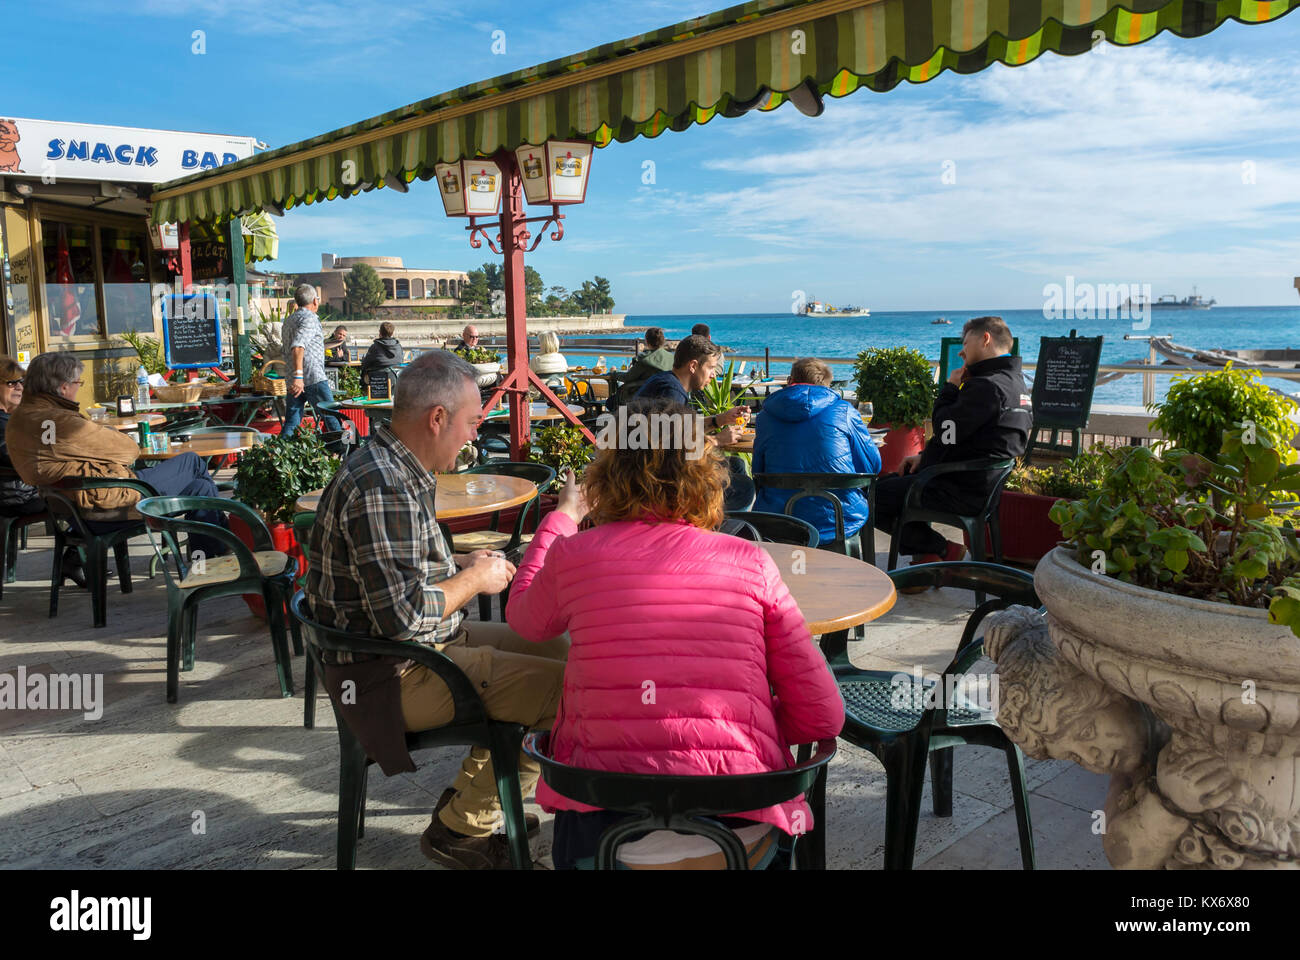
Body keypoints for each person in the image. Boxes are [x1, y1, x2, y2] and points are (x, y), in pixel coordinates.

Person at [506, 396, 845, 869]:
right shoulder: (748, 560)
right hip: (734, 826)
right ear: (704, 474)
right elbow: (824, 717)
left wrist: (560, 519)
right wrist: (738, 726)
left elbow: (523, 619)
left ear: (609, 472)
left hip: (602, 826)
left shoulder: (573, 555)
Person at [305, 349, 568, 870]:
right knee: (572, 690)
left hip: (416, 649)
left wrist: (461, 561)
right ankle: (462, 830)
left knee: (559, 649)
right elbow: (401, 617)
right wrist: (474, 579)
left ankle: (480, 799)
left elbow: (398, 574)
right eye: (472, 423)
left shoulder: (394, 465)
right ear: (437, 418)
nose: (474, 435)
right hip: (393, 675)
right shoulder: (385, 486)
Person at [5, 352, 227, 558]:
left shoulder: (21, 417)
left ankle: (209, 560)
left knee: (201, 488)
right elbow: (129, 451)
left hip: (73, 507)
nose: (78, 388)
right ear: (63, 388)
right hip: (105, 503)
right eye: (77, 383)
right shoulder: (57, 422)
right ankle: (223, 551)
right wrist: (108, 435)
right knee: (192, 461)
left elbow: (61, 451)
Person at [873, 315, 1032, 567]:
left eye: (966, 343)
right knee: (892, 484)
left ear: (986, 339)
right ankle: (929, 560)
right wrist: (924, 458)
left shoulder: (986, 386)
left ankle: (942, 549)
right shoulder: (1016, 384)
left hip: (958, 489)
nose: (961, 352)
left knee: (869, 497)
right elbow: (972, 440)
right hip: (982, 485)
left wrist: (949, 387)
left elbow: (945, 430)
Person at [752, 357, 882, 545]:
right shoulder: (845, 411)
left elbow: (758, 470)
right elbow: (871, 466)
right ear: (827, 386)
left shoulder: (765, 417)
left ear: (790, 381)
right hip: (838, 517)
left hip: (779, 516)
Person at [281, 284, 343, 437]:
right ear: (315, 301)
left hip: (293, 377)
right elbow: (297, 346)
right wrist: (299, 376)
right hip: (311, 377)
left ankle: (279, 454)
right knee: (332, 418)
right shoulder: (310, 318)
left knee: (292, 421)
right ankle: (345, 455)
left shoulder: (289, 320)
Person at [618, 327, 674, 403]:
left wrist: (613, 373)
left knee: (611, 401)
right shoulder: (672, 358)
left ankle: (619, 414)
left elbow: (627, 377)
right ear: (663, 341)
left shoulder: (644, 359)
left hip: (641, 399)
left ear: (647, 342)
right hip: (666, 397)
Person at [359, 322, 403, 393]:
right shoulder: (398, 346)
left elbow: (366, 363)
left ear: (380, 332)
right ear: (392, 333)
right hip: (395, 377)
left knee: (364, 382)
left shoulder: (375, 346)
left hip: (377, 380)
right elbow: (400, 360)